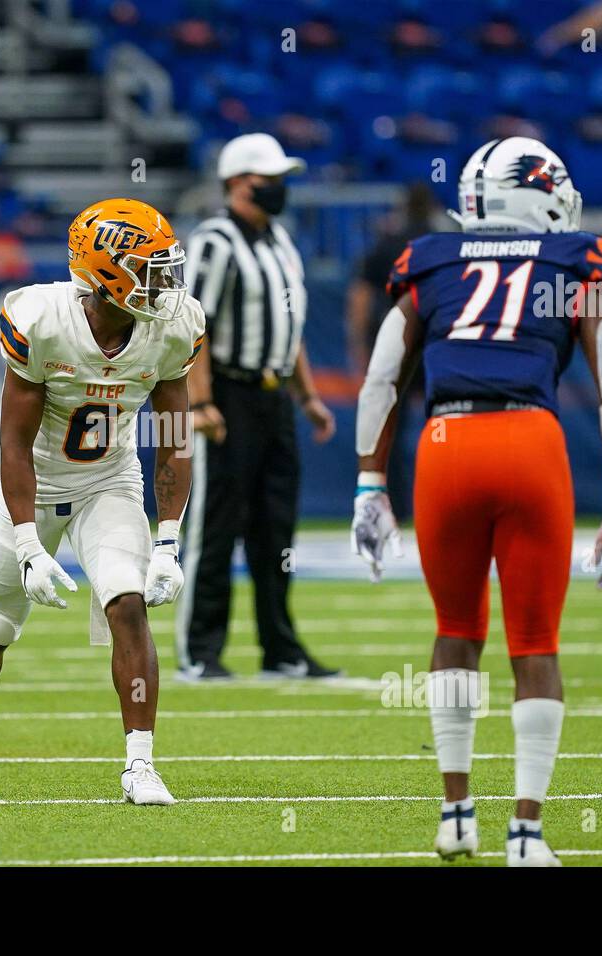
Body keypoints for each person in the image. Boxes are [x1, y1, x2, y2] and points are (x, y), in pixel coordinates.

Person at [352, 137, 602, 866]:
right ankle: (526, 832)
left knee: (455, 629)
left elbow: (382, 380)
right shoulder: (576, 258)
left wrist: (368, 484)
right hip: (529, 445)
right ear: (542, 195)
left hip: (446, 446)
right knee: (535, 644)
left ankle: (455, 815)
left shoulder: (429, 260)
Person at [0, 198, 204, 806]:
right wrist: (29, 545)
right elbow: (14, 442)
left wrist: (168, 539)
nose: (165, 284)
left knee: (128, 603)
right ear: (107, 272)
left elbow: (172, 440)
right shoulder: (42, 319)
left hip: (108, 483)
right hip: (35, 481)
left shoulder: (171, 329)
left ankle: (139, 765)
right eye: (151, 268)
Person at [177, 132, 338, 682]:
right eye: (269, 180)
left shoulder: (280, 242)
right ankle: (200, 650)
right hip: (228, 393)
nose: (278, 189)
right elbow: (193, 326)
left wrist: (308, 396)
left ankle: (281, 649)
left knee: (277, 529)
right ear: (237, 183)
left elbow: (289, 330)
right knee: (216, 524)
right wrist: (199, 400)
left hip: (274, 398)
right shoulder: (215, 241)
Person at [346, 181, 440, 519]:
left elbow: (360, 297)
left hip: (393, 347)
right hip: (435, 350)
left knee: (390, 432)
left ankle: (392, 506)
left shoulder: (387, 245)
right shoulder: (438, 246)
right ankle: (440, 504)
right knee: (444, 426)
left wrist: (358, 346)